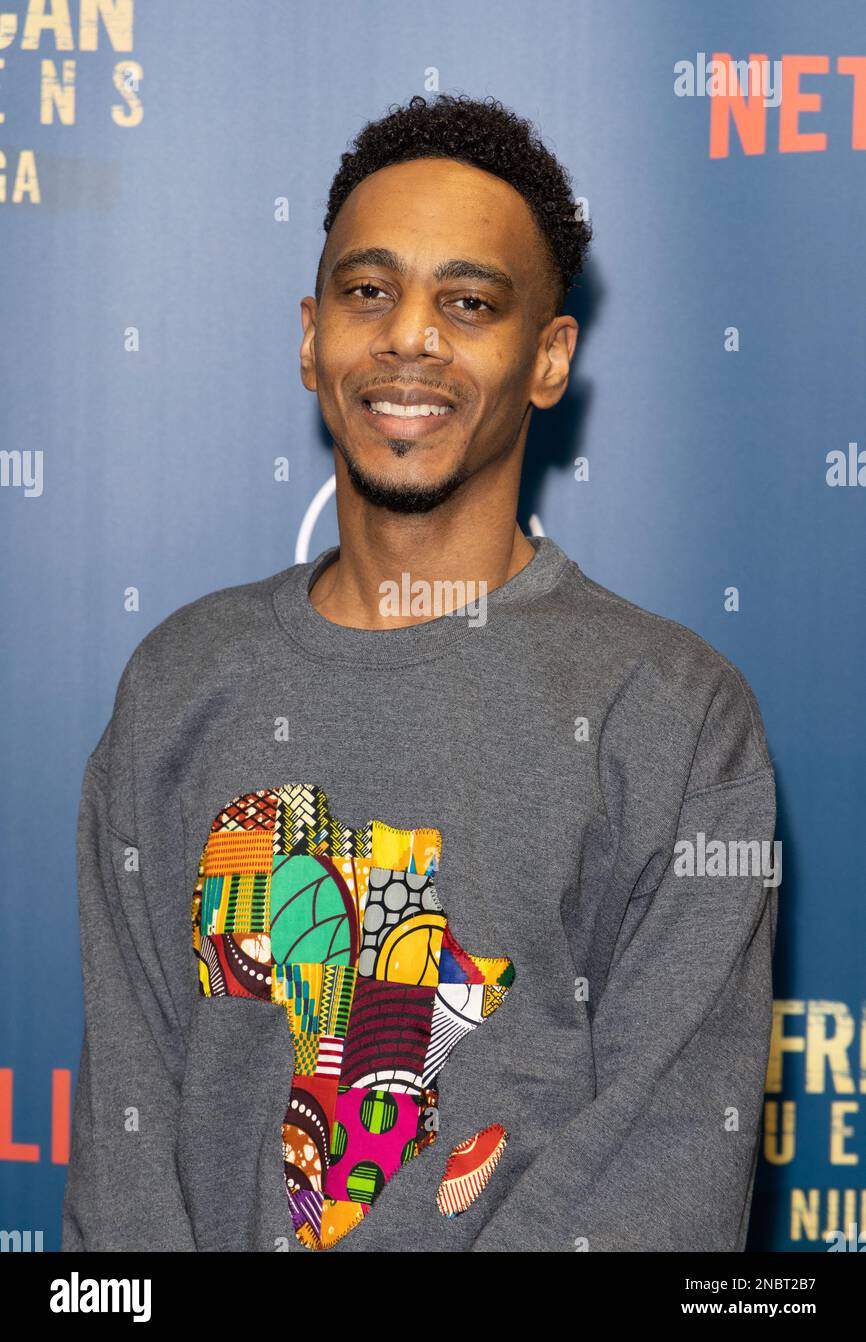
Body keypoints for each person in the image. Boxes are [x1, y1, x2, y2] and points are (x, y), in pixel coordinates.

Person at [62, 93, 778, 1253]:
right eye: (367, 290)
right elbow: (127, 1158)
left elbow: (664, 1180)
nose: (409, 337)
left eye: (467, 302)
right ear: (310, 338)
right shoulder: (178, 683)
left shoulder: (675, 716)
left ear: (547, 358)